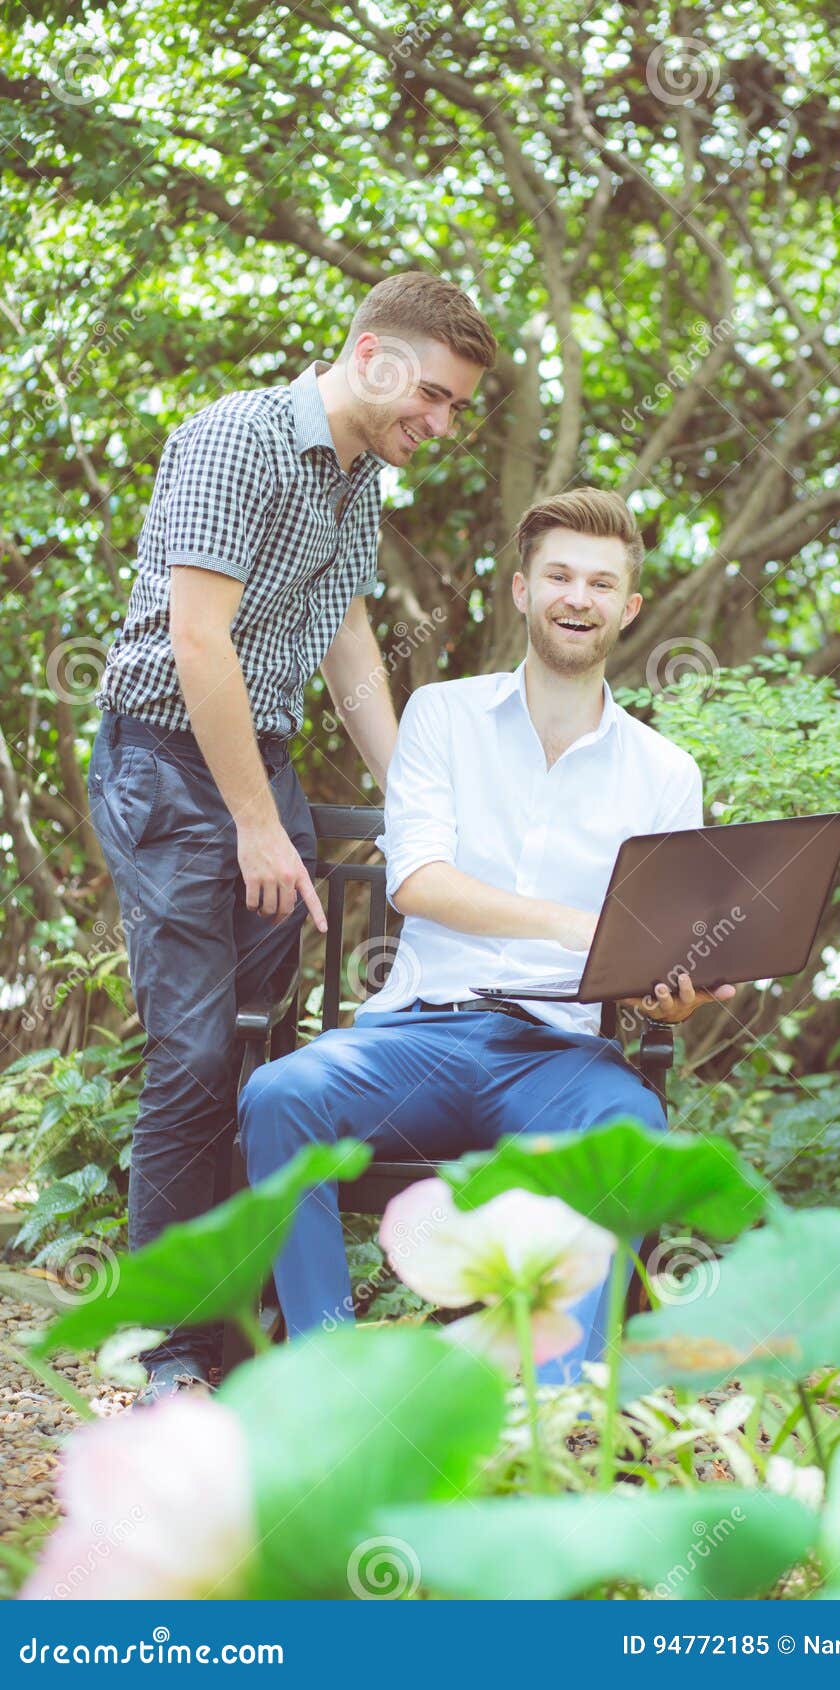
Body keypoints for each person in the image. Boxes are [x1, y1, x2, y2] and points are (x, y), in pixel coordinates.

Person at [89, 273, 497, 1402]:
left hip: (252, 759)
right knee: (193, 1052)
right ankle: (163, 1346)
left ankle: (240, 1323)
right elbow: (198, 642)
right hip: (164, 764)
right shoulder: (239, 441)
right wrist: (258, 825)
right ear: (369, 356)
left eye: (457, 406)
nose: (442, 422)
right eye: (431, 395)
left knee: (258, 1054)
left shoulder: (357, 477)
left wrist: (414, 795)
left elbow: (346, 636)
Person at [238, 487, 735, 1385]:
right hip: (416, 1036)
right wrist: (581, 927)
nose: (576, 598)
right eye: (557, 576)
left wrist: (676, 993)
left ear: (627, 608)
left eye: (599, 583)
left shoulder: (665, 773)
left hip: (558, 1056)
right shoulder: (442, 715)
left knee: (632, 1128)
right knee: (280, 1094)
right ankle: (324, 1377)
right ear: (520, 590)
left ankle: (562, 1404)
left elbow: (665, 947)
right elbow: (418, 881)